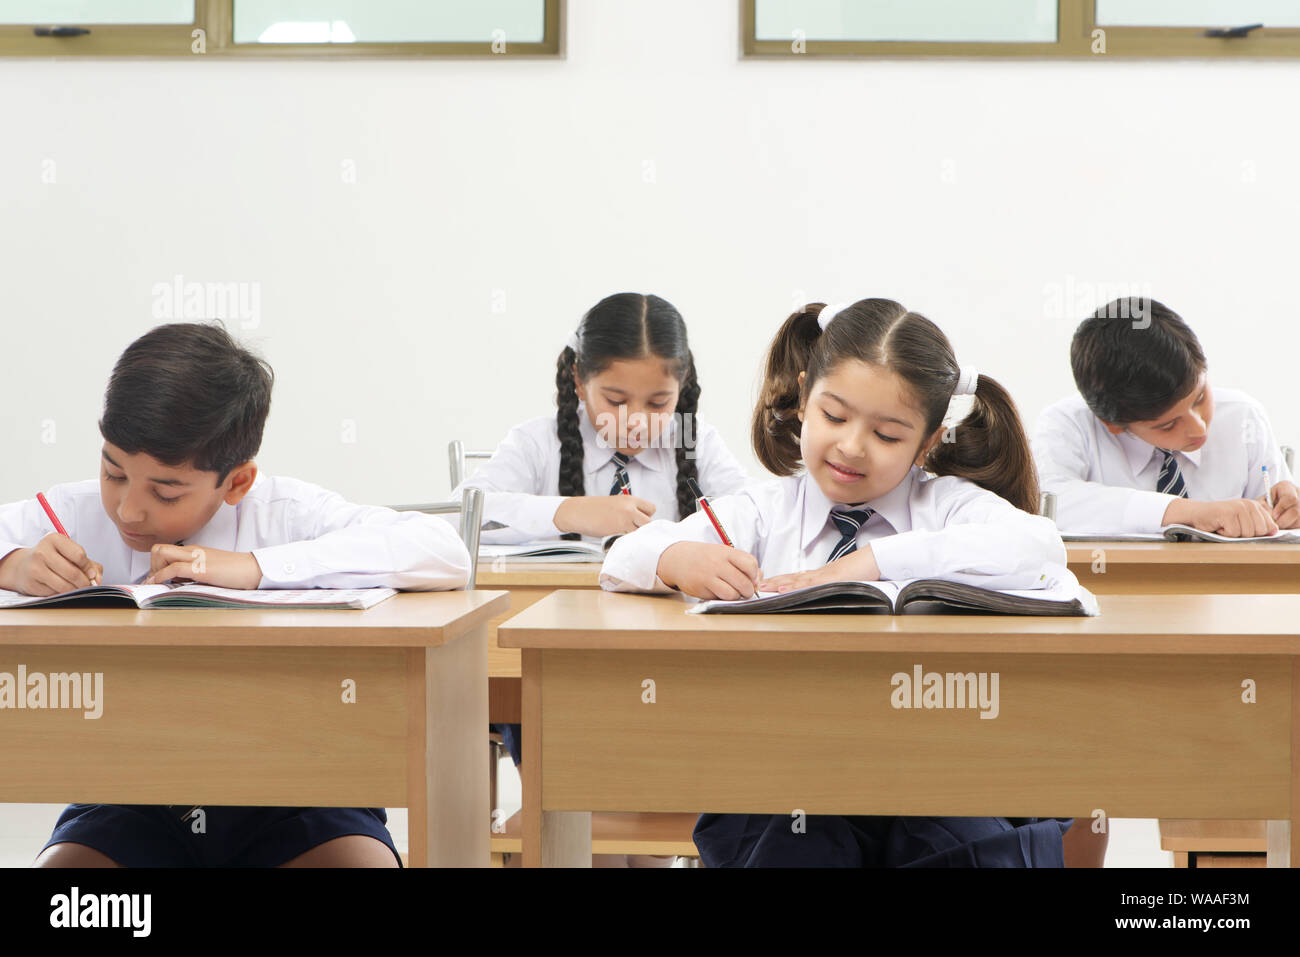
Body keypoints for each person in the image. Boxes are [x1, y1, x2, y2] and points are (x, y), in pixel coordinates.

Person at [600, 297, 1071, 866]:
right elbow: (625, 554)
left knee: (978, 833)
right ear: (804, 399)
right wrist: (676, 557)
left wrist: (872, 562)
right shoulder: (761, 512)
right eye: (835, 416)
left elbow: (1040, 546)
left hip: (933, 772)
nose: (852, 447)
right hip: (789, 780)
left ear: (928, 442)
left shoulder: (946, 506)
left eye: (888, 435)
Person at [0, 322, 471, 867]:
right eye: (114, 473)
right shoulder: (72, 512)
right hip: (131, 795)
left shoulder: (284, 515)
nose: (129, 509)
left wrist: (254, 568)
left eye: (165, 492)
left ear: (238, 482)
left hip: (298, 793)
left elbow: (444, 551)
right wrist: (13, 563)